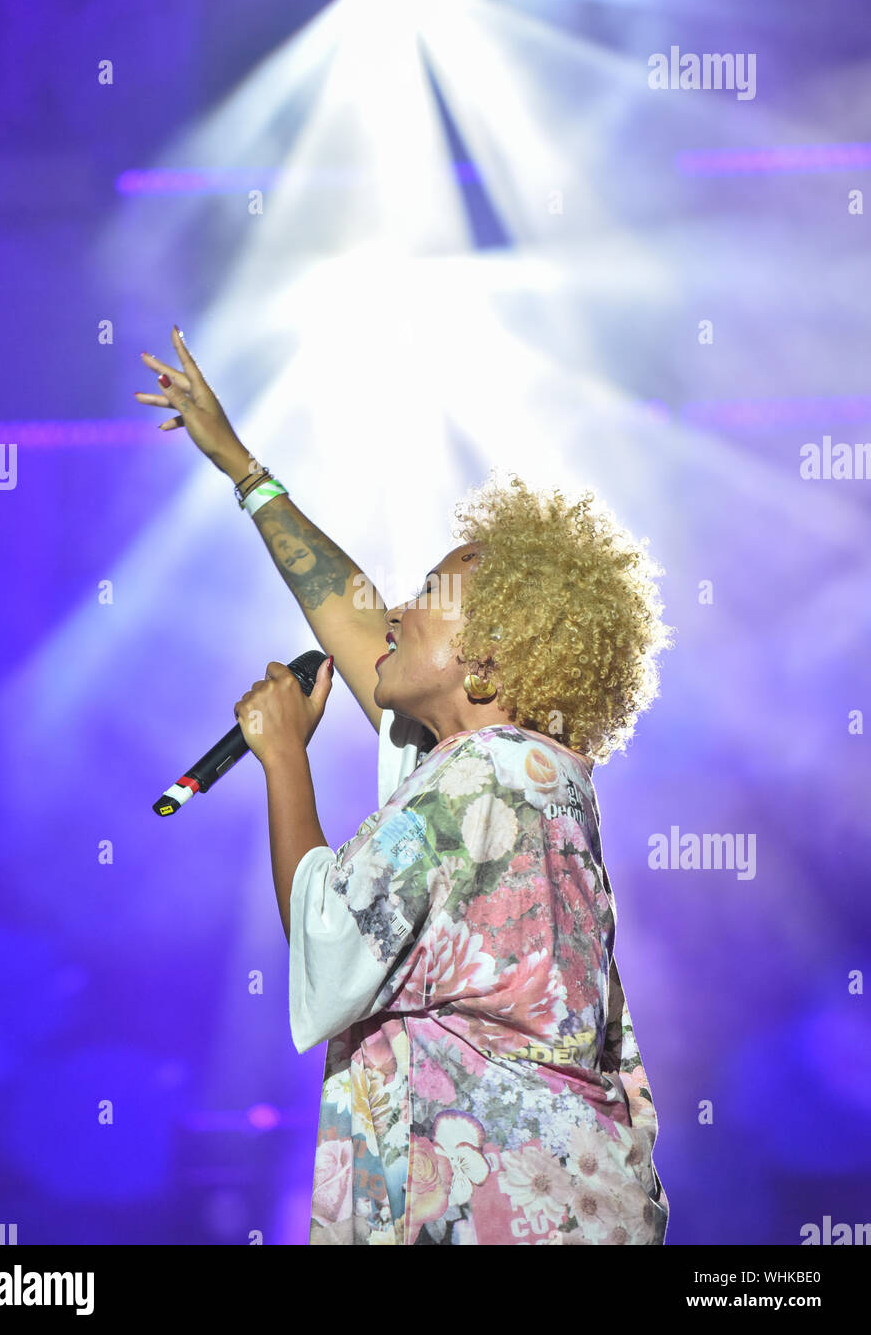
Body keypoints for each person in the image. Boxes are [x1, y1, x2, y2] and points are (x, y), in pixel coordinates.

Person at [136, 327, 674, 1245]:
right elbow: (350, 611)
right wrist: (243, 469)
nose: (396, 610)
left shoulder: (478, 789)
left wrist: (283, 760)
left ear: (490, 656)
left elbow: (330, 950)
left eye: (427, 595)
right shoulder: (519, 777)